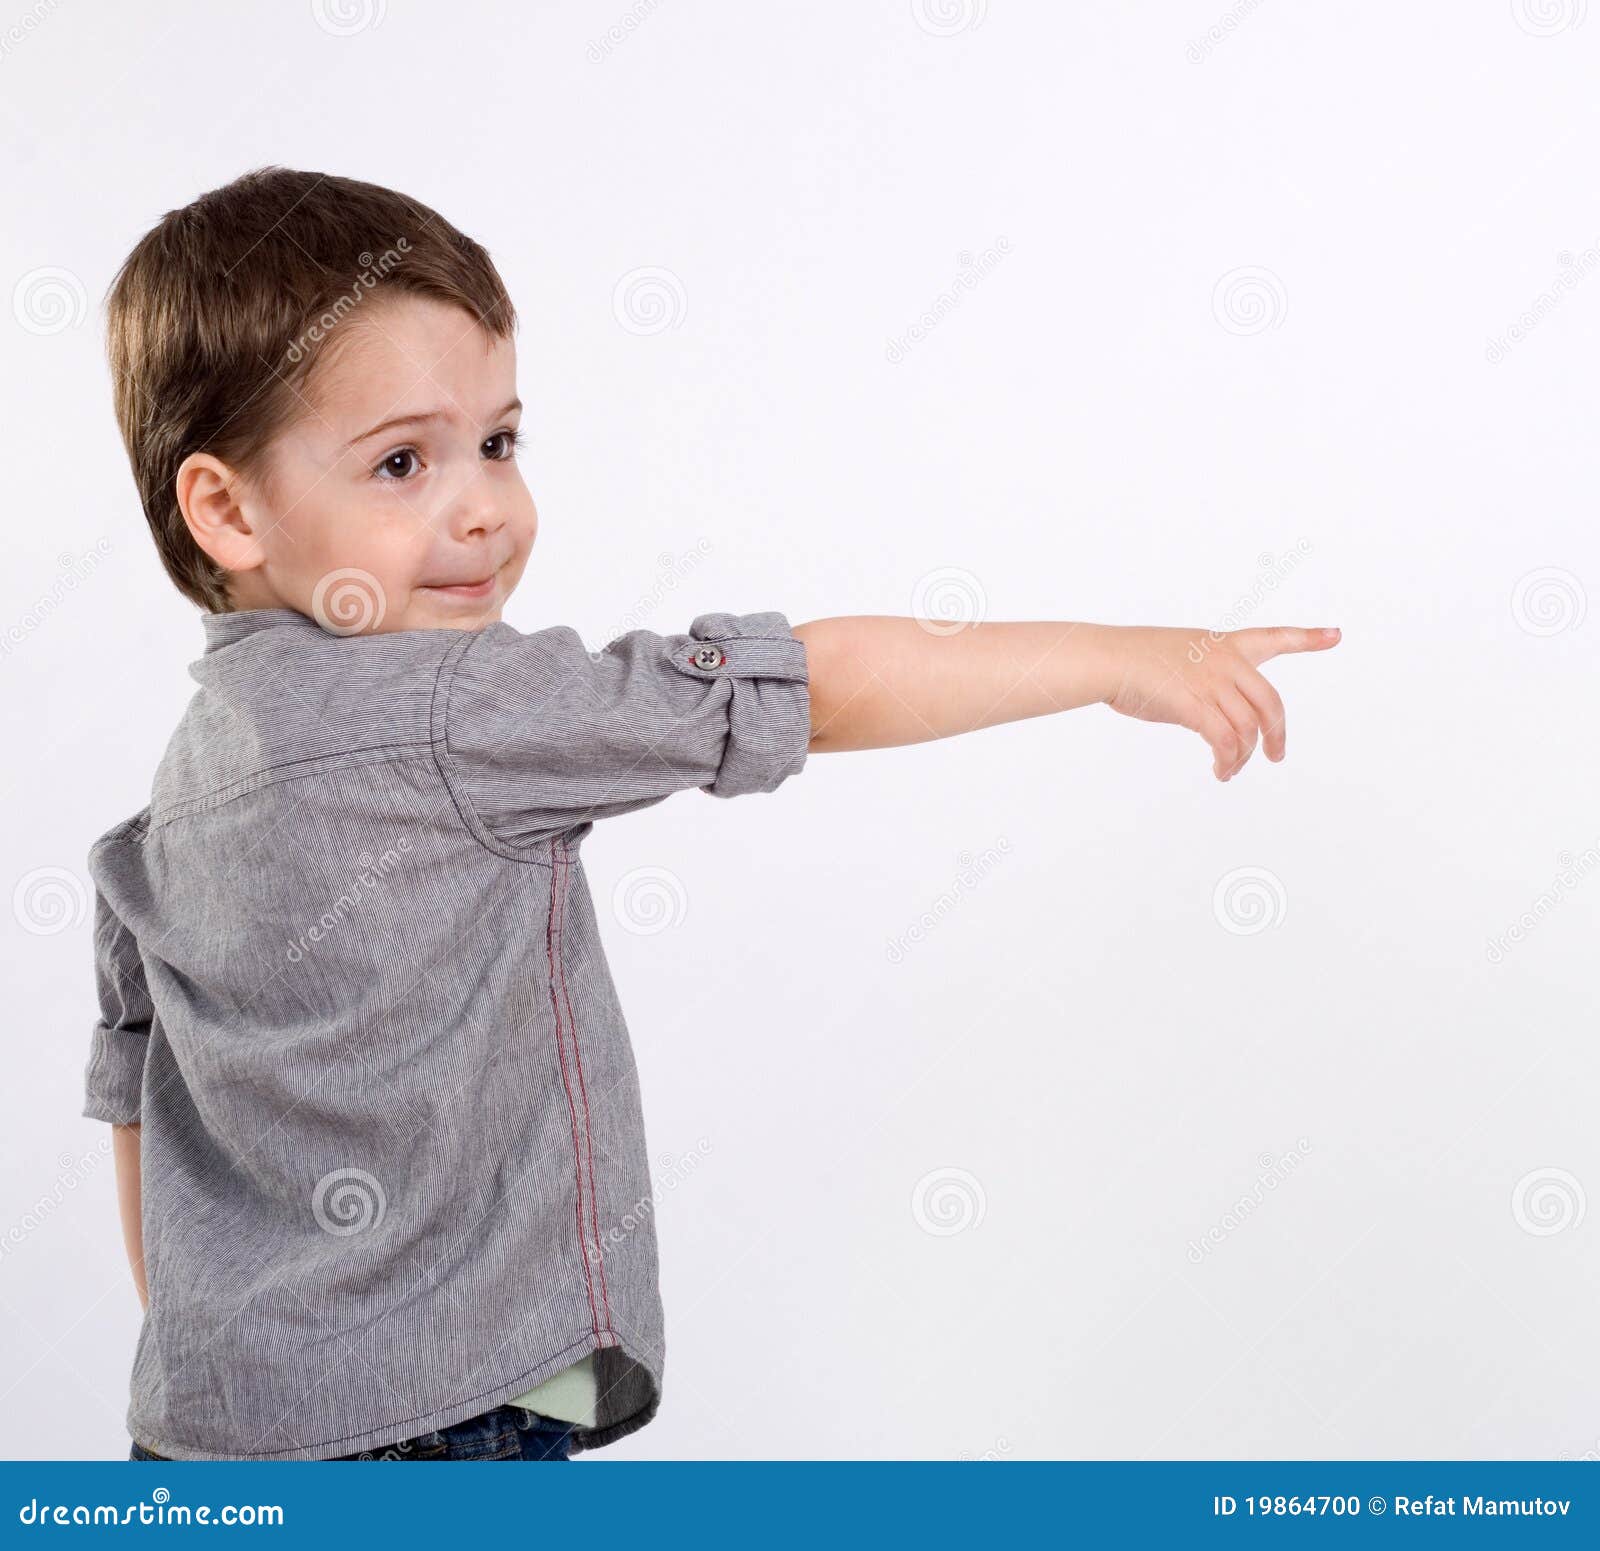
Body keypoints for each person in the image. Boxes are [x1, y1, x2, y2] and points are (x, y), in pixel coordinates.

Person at [87, 166, 1340, 1462]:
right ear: (226, 509)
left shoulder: (161, 822)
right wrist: (1118, 658)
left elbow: (141, 1115)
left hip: (207, 1440)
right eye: (402, 461)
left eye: (500, 443)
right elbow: (811, 686)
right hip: (430, 1432)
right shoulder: (454, 708)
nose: (486, 507)